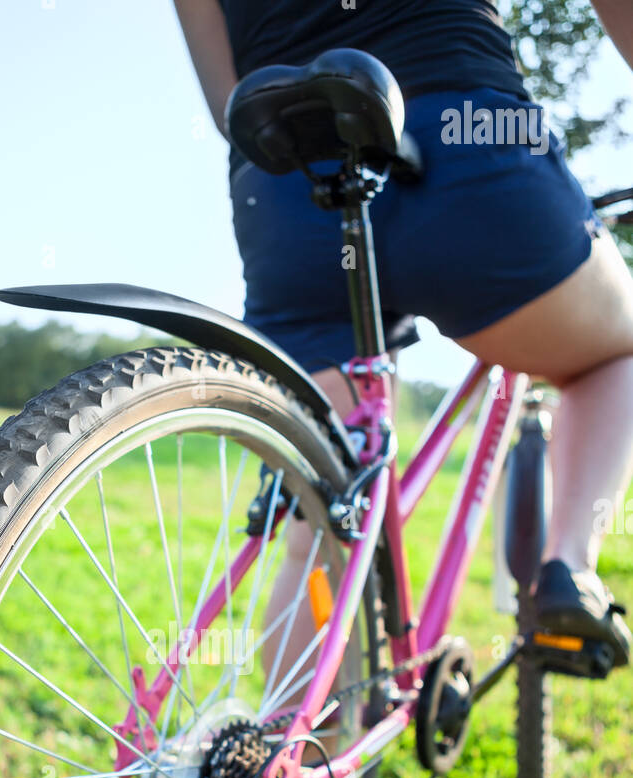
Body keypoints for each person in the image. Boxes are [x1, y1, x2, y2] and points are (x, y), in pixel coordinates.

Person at [173, 0, 633, 670]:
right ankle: (570, 568)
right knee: (613, 349)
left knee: (322, 525)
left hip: (287, 183)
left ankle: (293, 763)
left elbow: (229, 103)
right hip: (465, 139)